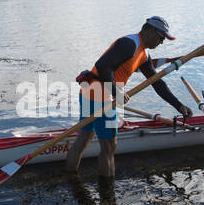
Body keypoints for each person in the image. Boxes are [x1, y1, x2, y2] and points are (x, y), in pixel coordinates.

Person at [65, 16, 193, 177]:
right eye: (161, 37)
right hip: (100, 97)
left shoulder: (144, 54)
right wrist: (116, 92)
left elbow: (156, 83)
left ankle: (70, 178)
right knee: (109, 147)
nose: (161, 42)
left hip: (89, 92)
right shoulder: (129, 44)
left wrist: (178, 105)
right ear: (150, 30)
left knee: (83, 139)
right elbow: (103, 66)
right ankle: (107, 194)